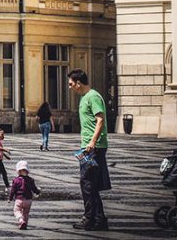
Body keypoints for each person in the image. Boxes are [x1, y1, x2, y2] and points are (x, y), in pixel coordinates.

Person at [68, 68, 111, 232]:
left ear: (79, 83)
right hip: (87, 147)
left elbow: (100, 120)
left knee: (86, 183)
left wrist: (92, 142)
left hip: (93, 147)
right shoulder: (85, 97)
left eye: (71, 84)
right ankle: (98, 219)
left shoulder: (92, 97)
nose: (70, 87)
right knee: (90, 184)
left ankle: (90, 218)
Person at [8, 159, 41, 230]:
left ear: (18, 171)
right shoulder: (31, 180)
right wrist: (38, 192)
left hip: (19, 199)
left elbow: (13, 190)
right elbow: (34, 189)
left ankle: (21, 220)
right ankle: (25, 223)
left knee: (16, 211)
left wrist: (10, 198)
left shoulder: (16, 180)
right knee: (26, 213)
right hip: (28, 200)